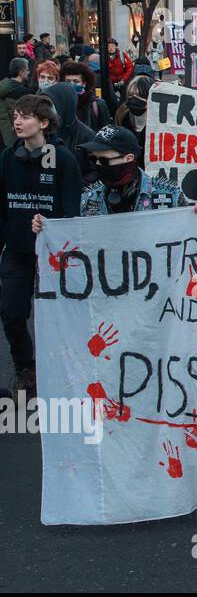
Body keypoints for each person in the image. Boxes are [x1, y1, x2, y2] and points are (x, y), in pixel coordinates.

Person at [1, 94, 82, 396]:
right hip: (18, 251)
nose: (18, 122)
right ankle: (25, 368)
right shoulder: (8, 158)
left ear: (44, 123)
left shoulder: (63, 160)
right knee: (12, 313)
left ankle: (63, 370)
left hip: (53, 253)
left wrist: (52, 227)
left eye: (25, 116)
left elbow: (72, 212)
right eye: (16, 117)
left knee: (58, 316)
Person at [72, 125, 192, 217]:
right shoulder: (89, 199)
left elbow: (187, 235)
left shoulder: (170, 196)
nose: (97, 164)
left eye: (104, 160)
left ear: (128, 158)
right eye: (93, 159)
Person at [58, 60, 112, 131]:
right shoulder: (60, 103)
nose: (71, 85)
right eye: (68, 81)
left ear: (84, 83)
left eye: (76, 81)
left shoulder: (97, 105)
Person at [114, 74, 152, 150]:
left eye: (139, 95)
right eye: (131, 95)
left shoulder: (159, 123)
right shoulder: (123, 116)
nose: (134, 98)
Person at [0, 58, 33, 148]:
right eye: (27, 70)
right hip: (15, 135)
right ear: (21, 72)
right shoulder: (22, 91)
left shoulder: (4, 85)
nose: (28, 72)